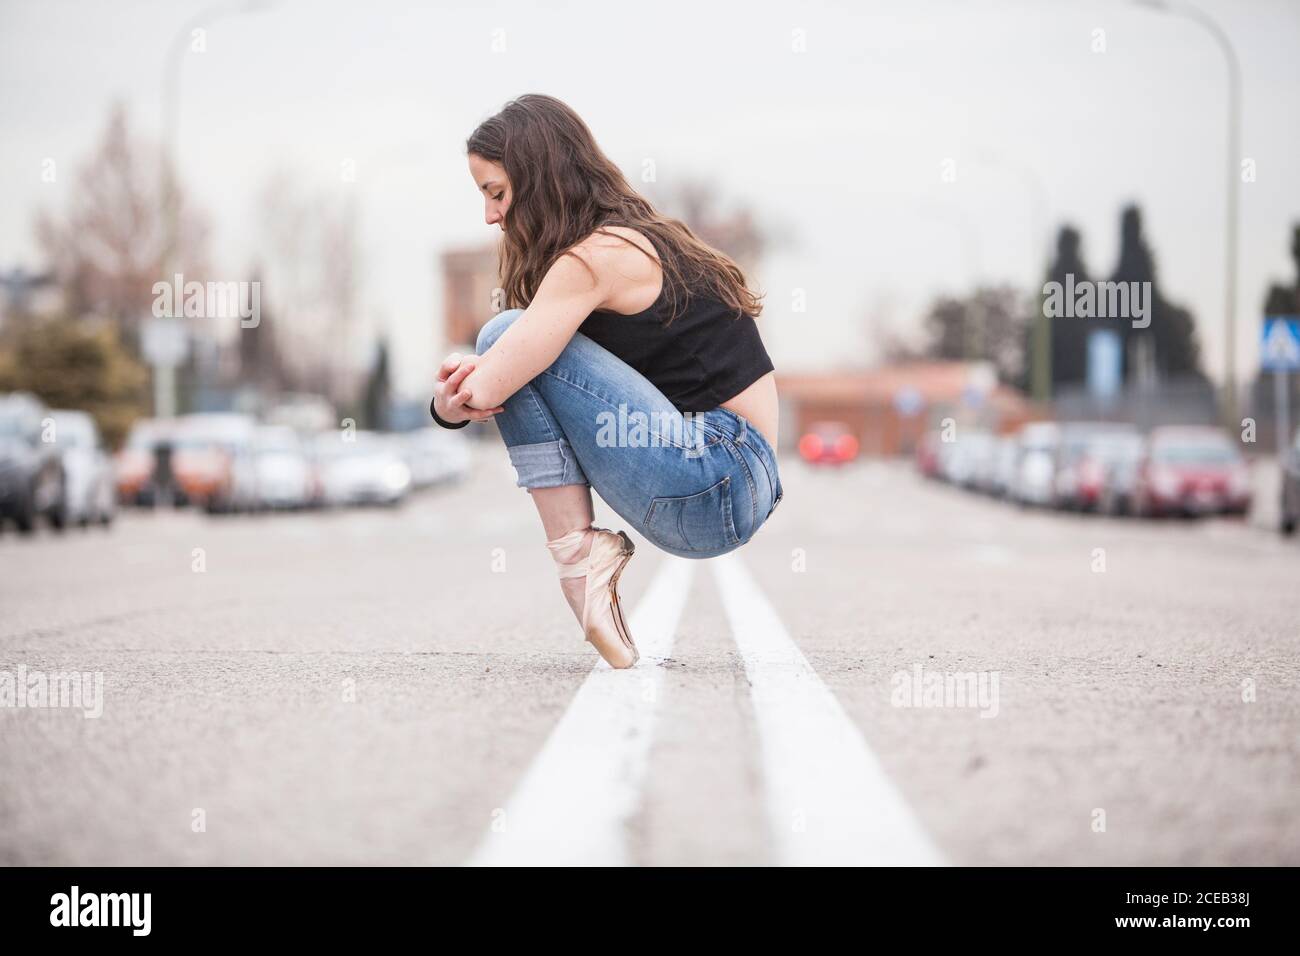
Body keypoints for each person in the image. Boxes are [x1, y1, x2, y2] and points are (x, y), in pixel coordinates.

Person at [432, 94, 783, 670]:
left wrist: (449, 402)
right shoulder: (634, 239)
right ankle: (582, 561)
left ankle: (579, 563)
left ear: (537, 179)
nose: (490, 216)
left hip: (716, 471)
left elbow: (491, 385)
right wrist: (466, 394)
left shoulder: (600, 256)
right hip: (730, 486)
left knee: (502, 336)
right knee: (517, 351)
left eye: (496, 193)